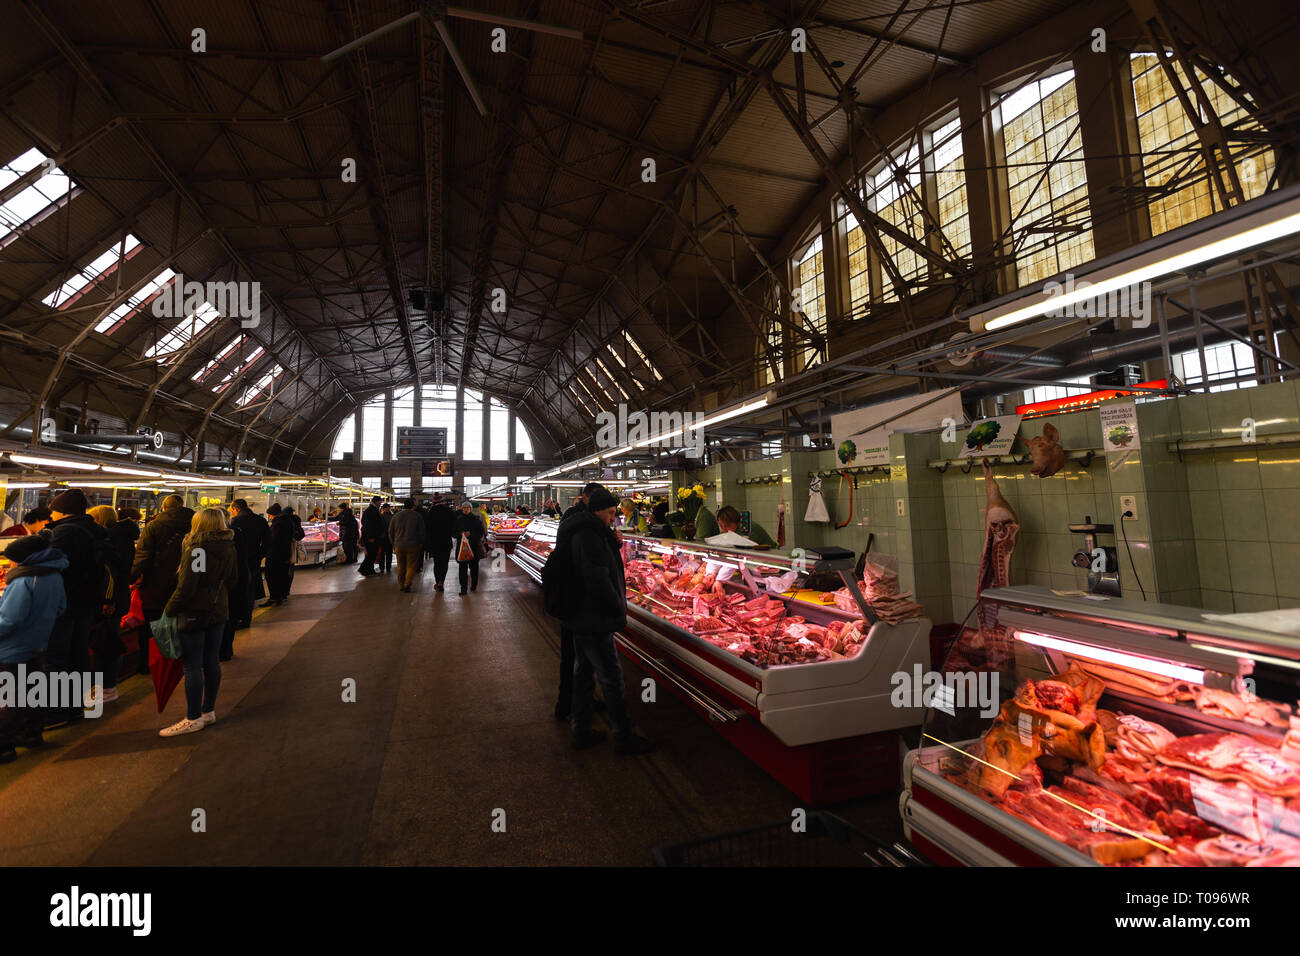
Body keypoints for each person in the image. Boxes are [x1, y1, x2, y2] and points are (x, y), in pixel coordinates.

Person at [561, 484, 654, 755]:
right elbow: (597, 579)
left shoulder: (590, 531)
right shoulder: (588, 536)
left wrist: (612, 541)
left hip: (582, 616)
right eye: (611, 512)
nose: (613, 518)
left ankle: (580, 731)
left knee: (584, 676)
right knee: (611, 678)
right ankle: (624, 737)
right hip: (595, 617)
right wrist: (618, 608)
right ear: (598, 510)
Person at [159, 507, 238, 737]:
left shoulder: (198, 549)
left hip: (196, 612)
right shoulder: (229, 546)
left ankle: (193, 717)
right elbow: (233, 579)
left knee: (192, 665)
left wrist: (170, 609)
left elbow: (187, 587)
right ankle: (208, 711)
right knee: (211, 661)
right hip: (218, 610)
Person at [43, 489, 111, 724]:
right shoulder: (94, 530)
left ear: (62, 510)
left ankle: (55, 712)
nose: (51, 514)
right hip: (88, 600)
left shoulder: (64, 532)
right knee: (79, 652)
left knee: (56, 656)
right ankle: (75, 706)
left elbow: (50, 564)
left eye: (53, 509)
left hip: (65, 601)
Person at [0, 535, 67, 761]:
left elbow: (9, 620)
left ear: (24, 560)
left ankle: (4, 747)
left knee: (7, 699)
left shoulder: (23, 581)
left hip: (11, 648)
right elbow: (60, 607)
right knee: (32, 693)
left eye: (11, 560)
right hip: (38, 643)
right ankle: (31, 734)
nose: (8, 565)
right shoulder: (54, 576)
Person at [553, 482, 605, 720]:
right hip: (577, 598)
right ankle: (572, 707)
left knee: (577, 656)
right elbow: (589, 562)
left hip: (569, 594)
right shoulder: (583, 521)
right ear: (584, 497)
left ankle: (572, 703)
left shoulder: (574, 518)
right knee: (577, 656)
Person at [130, 494, 194, 675]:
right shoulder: (195, 525)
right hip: (184, 582)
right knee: (180, 622)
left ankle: (147, 664)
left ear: (164, 507)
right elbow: (200, 557)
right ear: (181, 506)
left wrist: (130, 578)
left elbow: (142, 557)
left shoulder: (154, 526)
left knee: (151, 625)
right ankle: (176, 660)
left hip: (156, 584)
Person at [84, 505, 133, 707]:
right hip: (117, 598)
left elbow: (110, 573)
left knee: (107, 643)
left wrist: (108, 600)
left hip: (110, 602)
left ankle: (108, 688)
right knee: (107, 641)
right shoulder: (122, 538)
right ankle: (105, 686)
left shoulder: (110, 541)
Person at [228, 499, 267, 619]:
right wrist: (260, 555)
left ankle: (239, 615)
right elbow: (268, 541)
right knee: (250, 587)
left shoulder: (235, 522)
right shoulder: (260, 520)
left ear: (236, 509)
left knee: (240, 587)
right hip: (254, 559)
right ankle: (247, 616)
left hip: (239, 559)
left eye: (232, 511)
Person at [263, 504, 302, 605]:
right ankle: (282, 595)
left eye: (270, 515)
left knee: (271, 575)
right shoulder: (287, 520)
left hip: (275, 554)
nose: (269, 517)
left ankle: (274, 597)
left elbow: (274, 539)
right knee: (283, 575)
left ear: (274, 514)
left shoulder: (278, 522)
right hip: (285, 553)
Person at [388, 498, 426, 593]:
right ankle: (407, 584)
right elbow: (422, 531)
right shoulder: (417, 516)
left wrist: (393, 543)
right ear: (413, 506)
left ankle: (401, 585)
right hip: (413, 545)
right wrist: (421, 543)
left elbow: (390, 531)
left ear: (403, 506)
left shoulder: (395, 516)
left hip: (399, 545)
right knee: (411, 565)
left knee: (400, 566)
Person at [453, 500, 485, 596]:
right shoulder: (458, 520)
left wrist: (471, 534)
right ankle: (463, 588)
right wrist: (461, 534)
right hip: (462, 547)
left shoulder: (476, 519)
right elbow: (453, 533)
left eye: (468, 508)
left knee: (474, 567)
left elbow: (480, 533)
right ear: (462, 509)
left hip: (474, 546)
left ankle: (474, 585)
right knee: (462, 568)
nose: (466, 509)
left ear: (470, 509)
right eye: (464, 508)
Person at [425, 496, 455, 592]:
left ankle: (438, 582)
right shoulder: (449, 511)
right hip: (446, 541)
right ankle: (441, 581)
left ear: (433, 502)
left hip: (434, 542)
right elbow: (454, 525)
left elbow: (427, 528)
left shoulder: (431, 512)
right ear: (443, 502)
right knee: (444, 563)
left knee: (437, 563)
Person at [359, 496, 384, 575]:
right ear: (376, 502)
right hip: (371, 537)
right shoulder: (371, 510)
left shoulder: (372, 509)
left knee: (372, 554)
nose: (380, 504)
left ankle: (369, 570)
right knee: (371, 554)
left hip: (373, 536)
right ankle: (363, 569)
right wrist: (371, 537)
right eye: (380, 502)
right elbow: (368, 525)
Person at [378, 503, 394, 574]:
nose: (388, 509)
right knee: (382, 553)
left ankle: (388, 567)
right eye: (386, 508)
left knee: (389, 553)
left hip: (389, 537)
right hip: (383, 537)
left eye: (388, 508)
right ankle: (382, 568)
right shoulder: (380, 516)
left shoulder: (392, 516)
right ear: (383, 509)